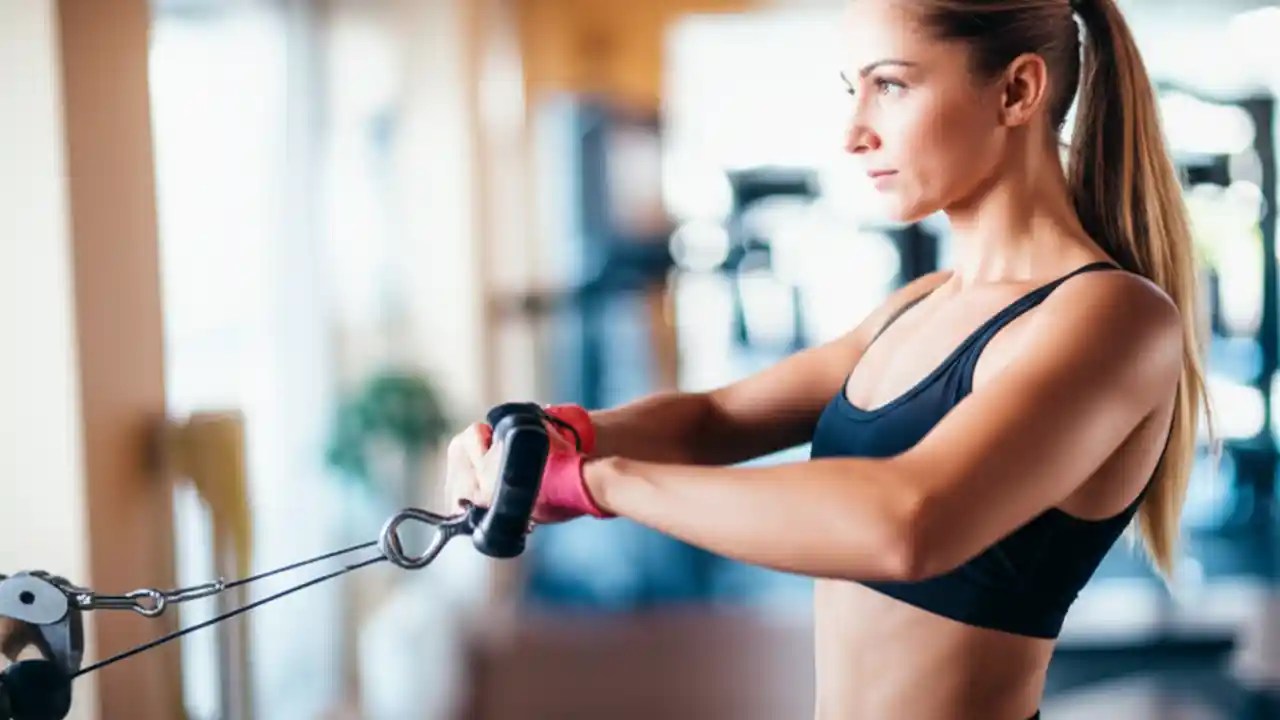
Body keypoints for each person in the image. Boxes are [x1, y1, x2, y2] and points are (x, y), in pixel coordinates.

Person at [446, 0, 1212, 717]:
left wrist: (595, 482)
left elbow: (908, 523)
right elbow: (715, 420)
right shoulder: (919, 305)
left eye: (890, 85)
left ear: (1016, 90)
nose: (853, 133)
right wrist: (560, 434)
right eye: (856, 88)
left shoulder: (1114, 317)